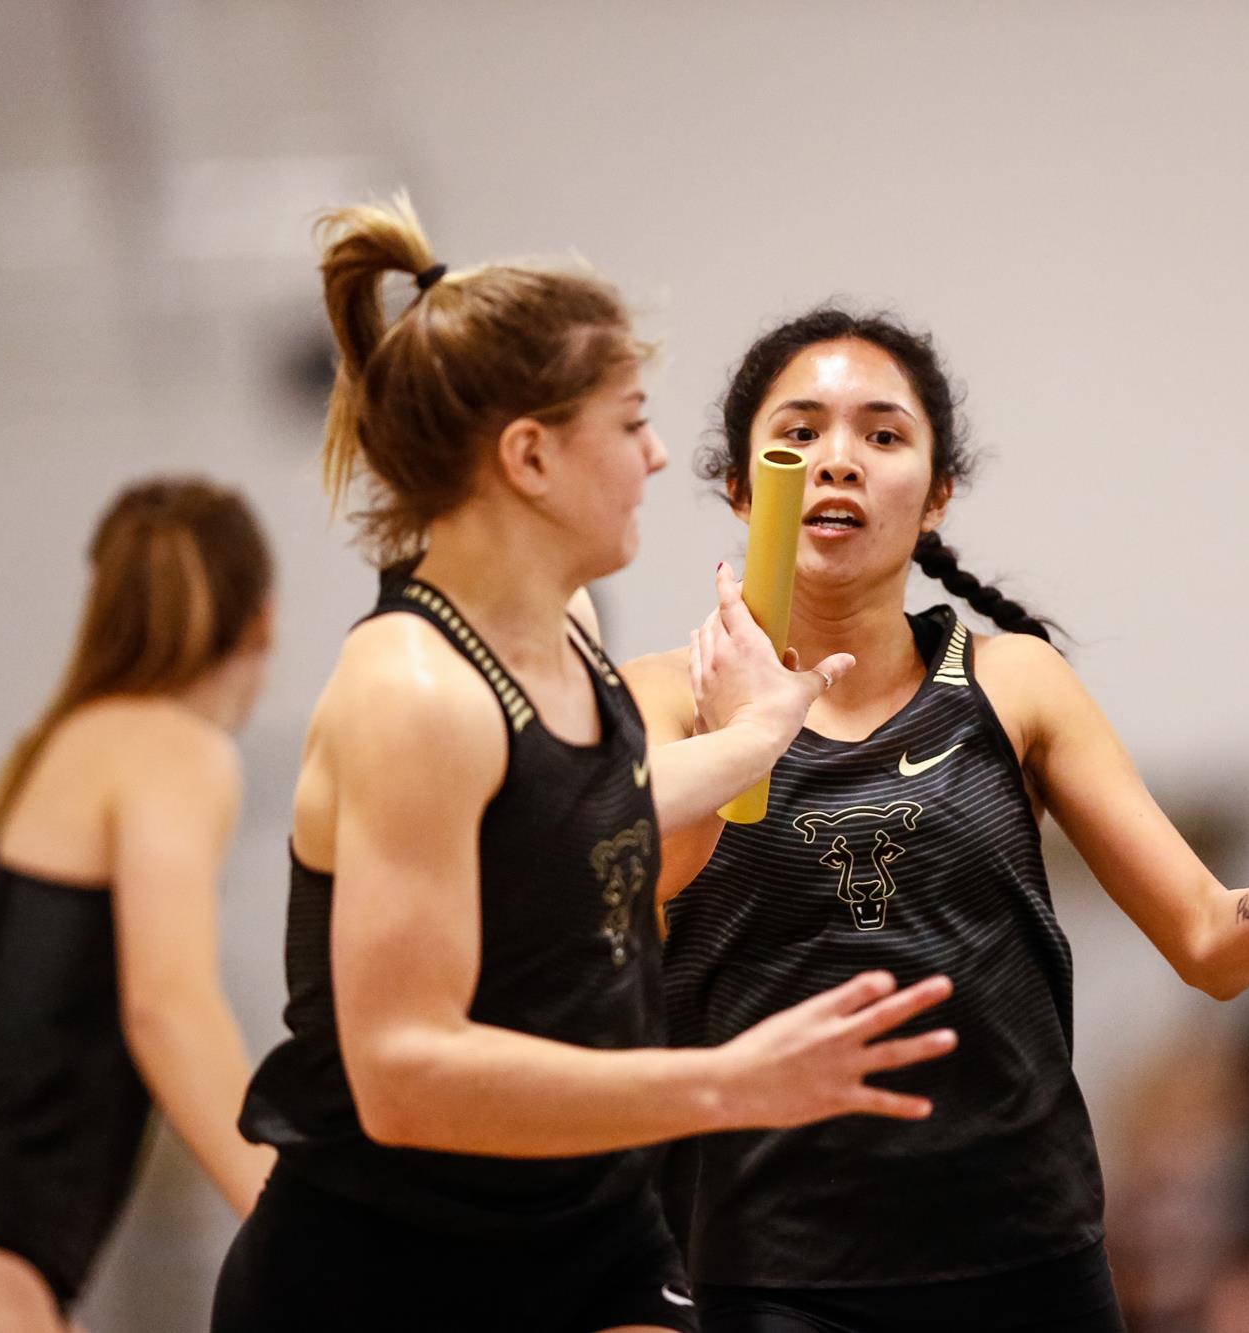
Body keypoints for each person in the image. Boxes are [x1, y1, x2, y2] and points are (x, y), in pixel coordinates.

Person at [211, 202, 956, 1333]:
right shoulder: (411, 694)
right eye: (631, 422)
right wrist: (725, 1083)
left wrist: (751, 740)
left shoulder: (564, 623)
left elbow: (567, 819)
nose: (657, 453)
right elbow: (404, 1073)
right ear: (530, 455)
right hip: (392, 1262)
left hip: (581, 1215)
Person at [623, 307, 1249, 1332]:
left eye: (881, 433)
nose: (836, 461)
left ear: (937, 493)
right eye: (798, 432)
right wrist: (738, 734)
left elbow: (1212, 945)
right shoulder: (655, 700)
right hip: (766, 1270)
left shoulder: (1014, 682)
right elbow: (620, 917)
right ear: (739, 486)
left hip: (1022, 1259)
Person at [0, 477, 279, 1332]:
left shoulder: (63, 744)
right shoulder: (178, 747)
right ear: (261, 618)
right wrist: (292, 1216)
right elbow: (167, 1006)